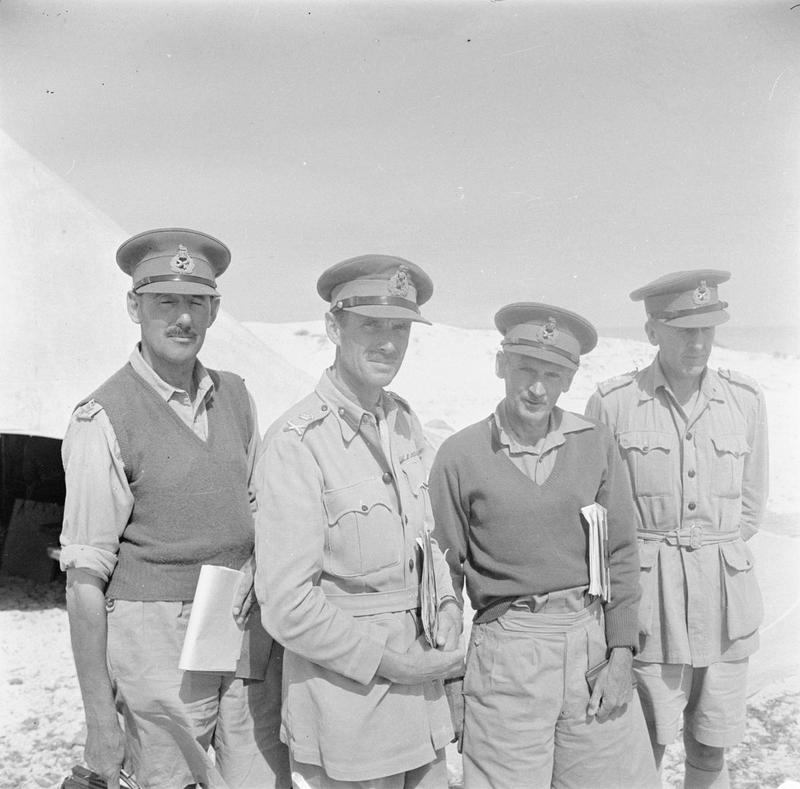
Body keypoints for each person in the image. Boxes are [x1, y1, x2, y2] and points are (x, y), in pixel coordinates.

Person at [60, 228, 290, 789]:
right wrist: (99, 722)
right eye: (166, 301)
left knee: (258, 780)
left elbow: (257, 507)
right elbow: (83, 581)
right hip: (154, 632)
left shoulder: (236, 395)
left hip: (242, 620)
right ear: (134, 306)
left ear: (214, 310)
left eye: (197, 302)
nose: (183, 318)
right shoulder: (102, 417)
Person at [253, 254, 464, 788]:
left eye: (400, 327)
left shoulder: (404, 422)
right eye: (371, 325)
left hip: (421, 698)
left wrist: (444, 603)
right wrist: (393, 665)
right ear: (333, 327)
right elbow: (287, 605)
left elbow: (424, 540)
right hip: (346, 702)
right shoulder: (297, 443)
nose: (389, 342)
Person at [429, 303, 659, 789]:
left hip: (589, 644)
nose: (537, 387)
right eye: (525, 370)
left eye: (552, 374)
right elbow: (442, 573)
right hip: (507, 653)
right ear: (500, 366)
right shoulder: (460, 456)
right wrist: (450, 679)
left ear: (569, 380)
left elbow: (620, 553)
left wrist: (621, 656)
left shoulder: (595, 443)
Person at [585, 271, 767, 789]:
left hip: (725, 606)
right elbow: (596, 519)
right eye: (684, 330)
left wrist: (708, 554)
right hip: (649, 609)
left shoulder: (746, 401)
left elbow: (750, 509)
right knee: (643, 748)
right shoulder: (613, 403)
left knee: (711, 748)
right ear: (652, 331)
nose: (698, 342)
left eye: (707, 330)